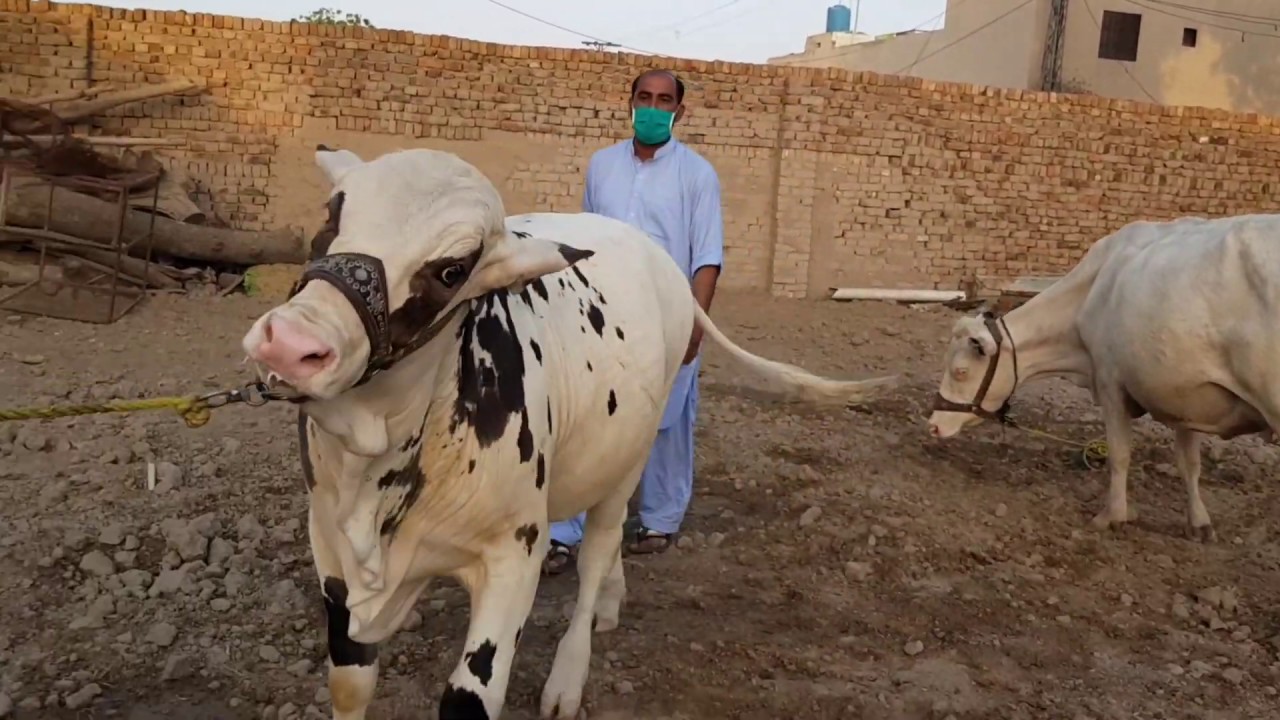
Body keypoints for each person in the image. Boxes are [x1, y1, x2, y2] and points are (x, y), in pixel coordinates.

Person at [543, 69, 724, 575]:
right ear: (629, 103)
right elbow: (582, 237)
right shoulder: (602, 167)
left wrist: (695, 323)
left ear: (679, 112)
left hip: (666, 316)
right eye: (644, 97)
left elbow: (707, 255)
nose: (652, 106)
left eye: (664, 100)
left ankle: (659, 519)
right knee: (585, 416)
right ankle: (563, 530)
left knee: (666, 419)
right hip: (598, 315)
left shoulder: (696, 175)